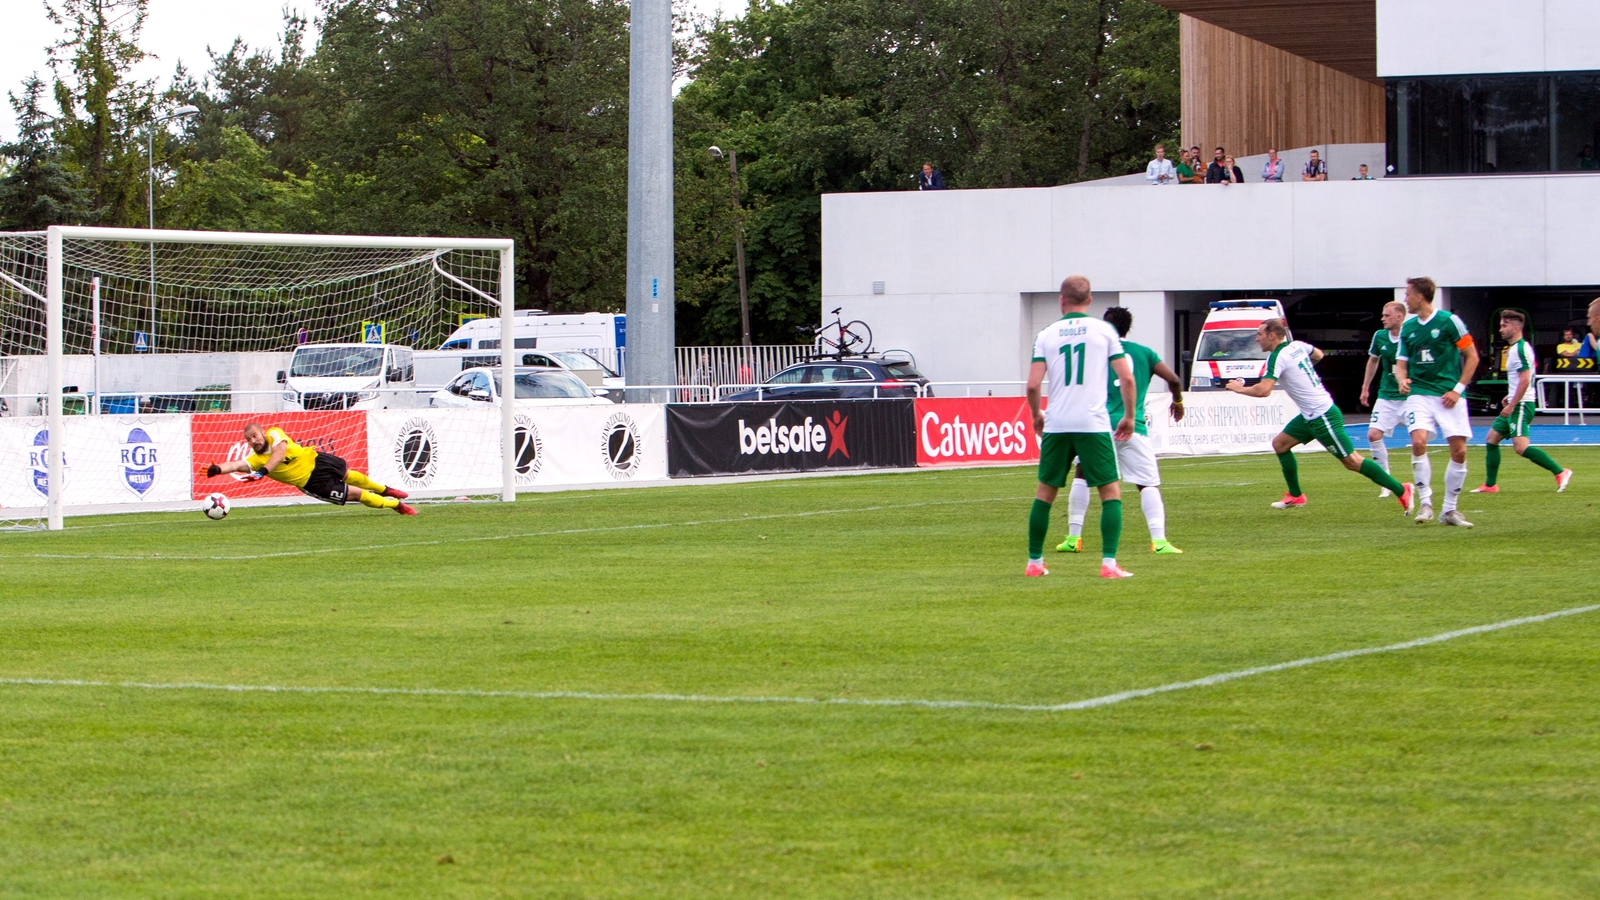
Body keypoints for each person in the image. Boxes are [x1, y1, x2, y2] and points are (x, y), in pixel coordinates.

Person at [1226, 319, 1412, 512]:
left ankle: (1402, 489)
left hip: (1322, 415)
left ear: (1271, 336)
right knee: (1280, 444)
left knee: (1352, 461)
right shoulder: (1297, 345)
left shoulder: (1277, 356)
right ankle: (1296, 495)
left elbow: (1264, 390)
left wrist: (1240, 389)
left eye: (1259, 334)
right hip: (1310, 414)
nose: (1257, 339)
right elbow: (1318, 355)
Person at [1025, 275, 1139, 579]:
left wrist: (1037, 415)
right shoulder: (1104, 331)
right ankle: (1109, 563)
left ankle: (1034, 562)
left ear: (1061, 300)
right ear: (1089, 301)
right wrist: (1129, 416)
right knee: (1110, 492)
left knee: (1044, 494)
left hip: (1058, 422)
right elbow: (1127, 378)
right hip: (1092, 422)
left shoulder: (1046, 334)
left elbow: (1033, 384)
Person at [1059, 306, 1186, 555]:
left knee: (1082, 475)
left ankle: (1074, 538)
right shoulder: (1144, 353)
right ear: (1128, 328)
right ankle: (1159, 542)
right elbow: (1173, 380)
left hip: (1097, 426)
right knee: (1147, 484)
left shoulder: (1095, 354)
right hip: (1133, 425)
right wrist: (1178, 402)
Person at [1393, 276, 1480, 527]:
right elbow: (1401, 365)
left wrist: (1458, 388)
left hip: (1448, 396)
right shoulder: (1408, 329)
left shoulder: (1449, 322)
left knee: (1459, 450)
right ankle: (1426, 502)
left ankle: (1450, 510)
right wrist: (1402, 380)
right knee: (1418, 441)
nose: (1405, 300)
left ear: (1420, 296)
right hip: (1419, 393)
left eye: (1408, 294)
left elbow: (1472, 356)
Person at [205, 423, 416, 515]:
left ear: (262, 432)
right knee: (357, 494)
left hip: (316, 459)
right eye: (249, 440)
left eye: (255, 436)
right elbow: (236, 465)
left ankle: (385, 489)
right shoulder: (256, 459)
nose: (253, 441)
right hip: (312, 482)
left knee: (348, 475)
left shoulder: (275, 434)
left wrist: (263, 473)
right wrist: (216, 469)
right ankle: (396, 505)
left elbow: (279, 454)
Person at [1473, 310, 1573, 494]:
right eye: (1500, 325)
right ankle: (1490, 485)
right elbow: (1522, 379)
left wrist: (1512, 404)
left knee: (1520, 447)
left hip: (1521, 405)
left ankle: (1560, 471)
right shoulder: (1516, 348)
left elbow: (1525, 379)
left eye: (1504, 325)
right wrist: (1509, 396)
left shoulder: (1519, 349)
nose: (1501, 329)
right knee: (1491, 439)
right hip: (1516, 402)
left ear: (1516, 328)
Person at [1360, 300, 1410, 497]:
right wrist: (1365, 388)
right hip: (1387, 395)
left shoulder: (1411, 335)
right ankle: (1386, 481)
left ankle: (1423, 485)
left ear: (1399, 317)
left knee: (1418, 439)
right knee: (1373, 434)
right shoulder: (1380, 336)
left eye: (1386, 315)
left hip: (1411, 397)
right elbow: (1373, 360)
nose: (1382, 319)